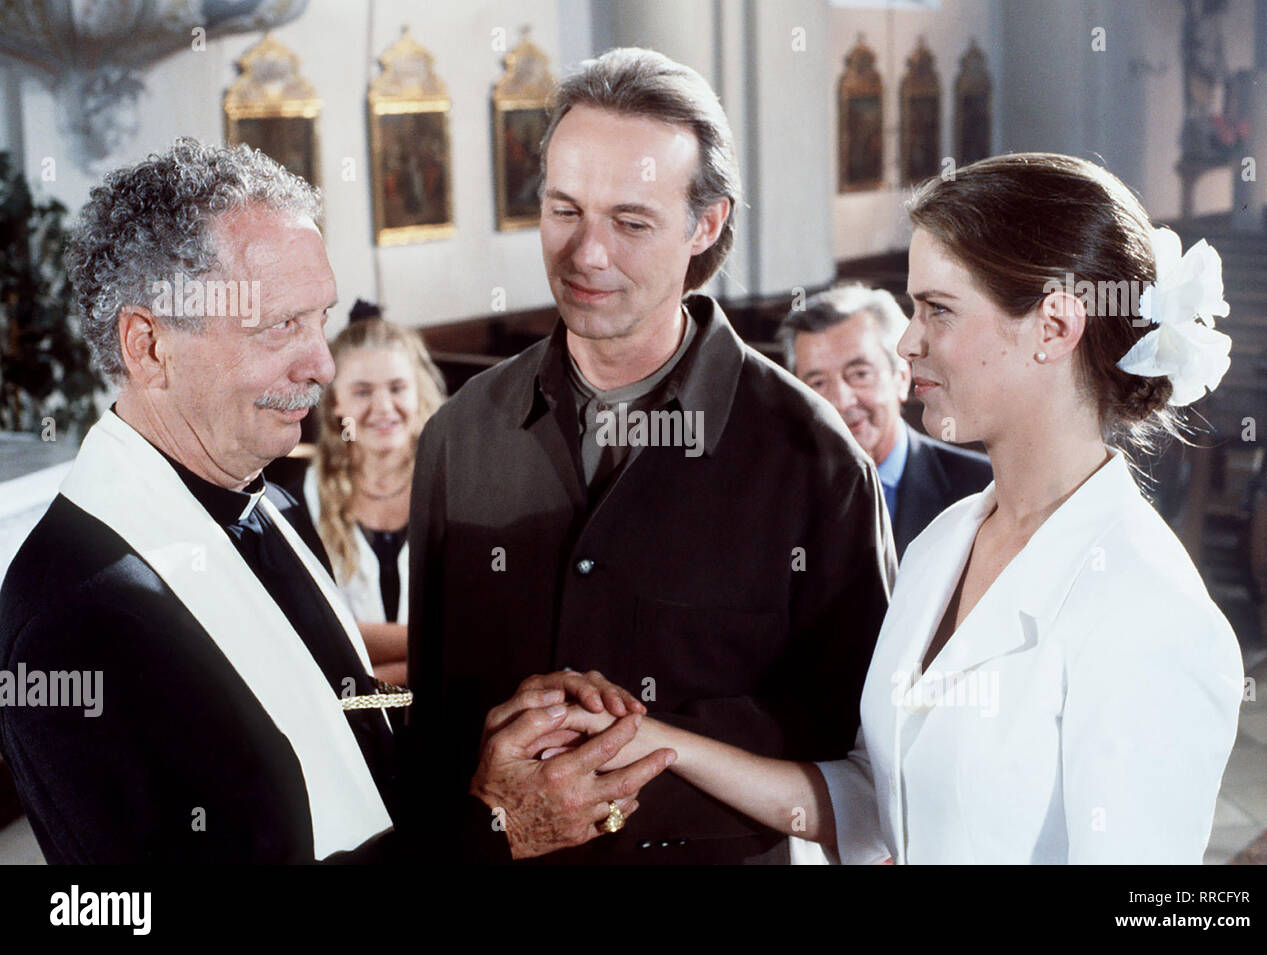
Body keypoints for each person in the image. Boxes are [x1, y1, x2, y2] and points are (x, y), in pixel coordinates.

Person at [525, 153, 1245, 864]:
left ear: (1054, 328)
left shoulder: (1148, 612)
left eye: (938, 309)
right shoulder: (946, 541)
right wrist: (661, 741)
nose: (908, 340)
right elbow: (879, 801)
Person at [404, 47, 895, 864]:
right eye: (564, 211)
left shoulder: (814, 459)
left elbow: (863, 775)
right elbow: (434, 734)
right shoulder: (460, 435)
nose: (586, 255)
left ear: (706, 224)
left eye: (630, 222)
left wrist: (633, 752)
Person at [0, 139, 401, 863]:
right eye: (281, 325)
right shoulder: (74, 617)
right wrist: (489, 827)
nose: (323, 364)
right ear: (148, 346)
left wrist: (479, 717)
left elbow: (347, 709)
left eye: (321, 318)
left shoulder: (265, 493)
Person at [778, 285, 992, 555]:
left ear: (902, 378)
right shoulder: (775, 500)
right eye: (818, 383)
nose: (841, 401)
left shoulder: (983, 489)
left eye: (859, 374)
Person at [300, 312, 446, 686]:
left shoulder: (453, 475)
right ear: (335, 403)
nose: (383, 408)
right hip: (363, 710)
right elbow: (326, 634)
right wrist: (434, 646)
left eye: (397, 387)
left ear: (419, 392)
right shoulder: (315, 487)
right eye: (363, 392)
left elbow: (479, 630)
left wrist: (375, 673)